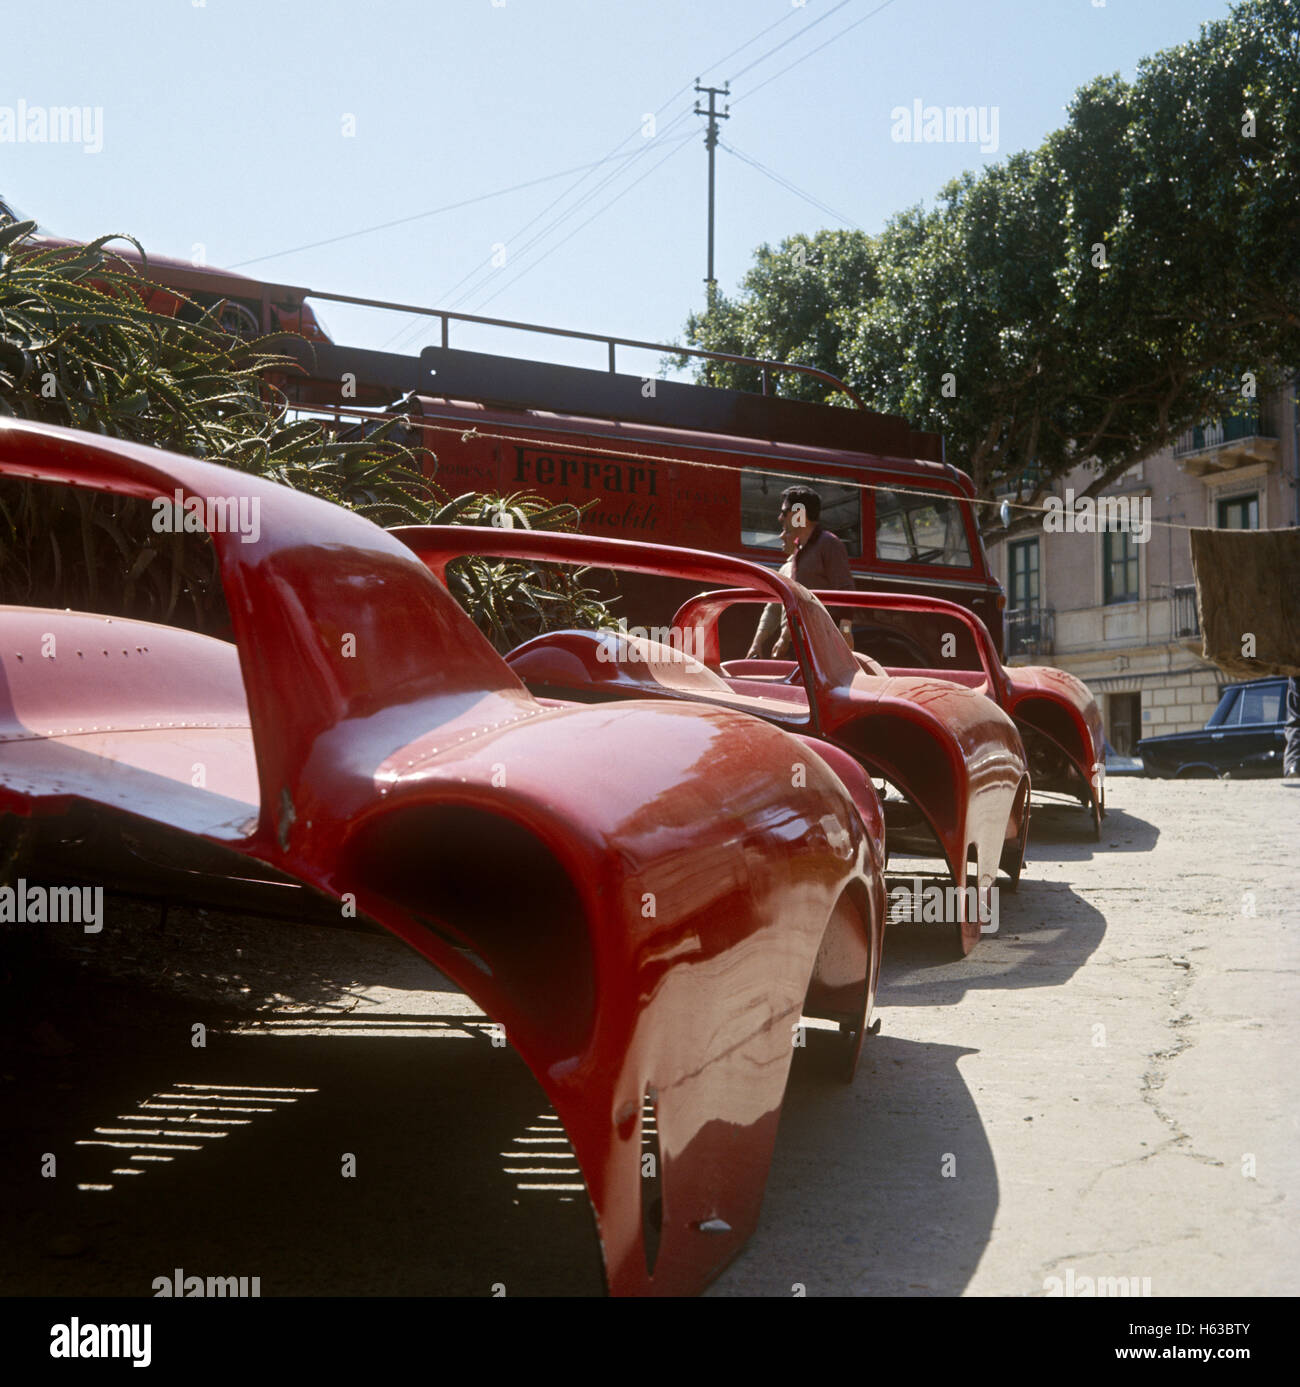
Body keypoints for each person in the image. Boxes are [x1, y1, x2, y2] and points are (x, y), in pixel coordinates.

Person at [746, 485, 856, 659]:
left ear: (799, 513)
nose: (780, 517)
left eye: (785, 512)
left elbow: (846, 590)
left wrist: (846, 631)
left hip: (824, 640)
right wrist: (785, 637)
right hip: (804, 639)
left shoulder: (829, 544)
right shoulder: (799, 548)